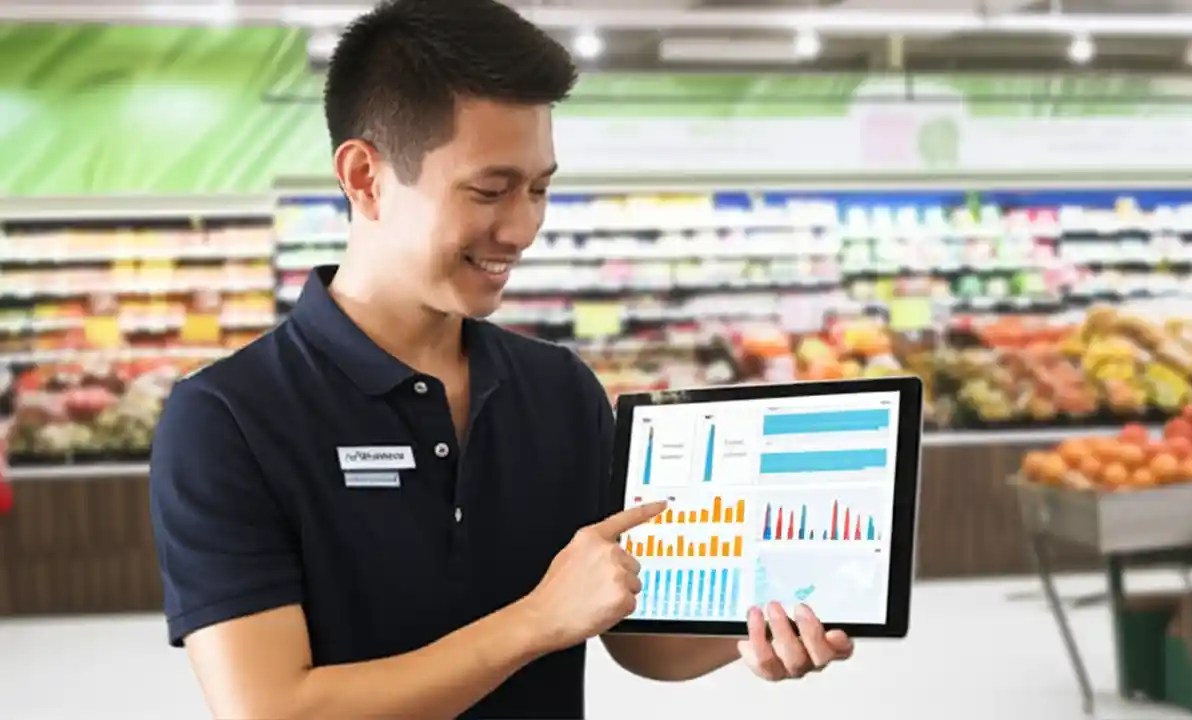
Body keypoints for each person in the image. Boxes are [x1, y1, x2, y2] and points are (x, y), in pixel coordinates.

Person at [148, 1, 854, 717]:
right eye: (489, 191)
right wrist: (535, 622)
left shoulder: (559, 390)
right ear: (365, 176)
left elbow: (641, 639)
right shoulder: (227, 418)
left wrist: (774, 617)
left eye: (540, 188)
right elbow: (277, 711)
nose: (521, 229)